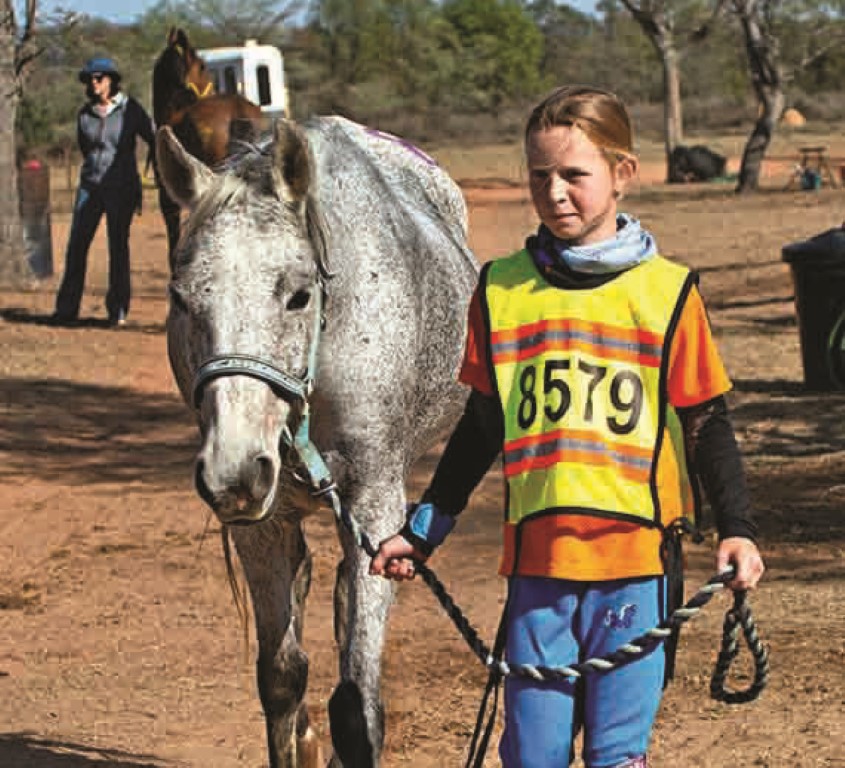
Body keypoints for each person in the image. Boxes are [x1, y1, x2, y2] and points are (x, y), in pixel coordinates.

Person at [370, 85, 765, 768]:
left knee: (616, 755)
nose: (554, 193)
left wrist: (737, 528)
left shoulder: (667, 292)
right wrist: (423, 528)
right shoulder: (499, 289)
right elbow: (481, 426)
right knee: (533, 754)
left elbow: (705, 422)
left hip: (637, 569)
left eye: (574, 175)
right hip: (538, 570)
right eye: (539, 175)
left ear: (620, 174)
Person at [53, 56, 155, 326]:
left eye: (99, 78)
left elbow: (153, 137)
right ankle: (66, 310)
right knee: (77, 245)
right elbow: (86, 149)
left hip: (121, 187)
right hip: (89, 187)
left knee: (117, 247)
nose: (94, 83)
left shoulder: (131, 109)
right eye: (90, 79)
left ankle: (117, 310)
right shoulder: (85, 114)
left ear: (112, 80)